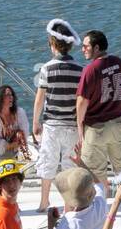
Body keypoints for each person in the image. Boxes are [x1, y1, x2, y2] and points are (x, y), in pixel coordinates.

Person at [32, 19, 83, 212]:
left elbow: (39, 99)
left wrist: (35, 122)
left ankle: (44, 201)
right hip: (71, 125)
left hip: (52, 124)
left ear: (53, 44)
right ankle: (68, 205)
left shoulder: (46, 68)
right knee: (69, 165)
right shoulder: (80, 70)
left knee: (48, 162)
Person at [76, 30, 121, 189]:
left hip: (95, 128)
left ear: (97, 48)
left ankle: (100, 210)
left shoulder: (90, 70)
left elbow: (81, 102)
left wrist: (80, 128)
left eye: (86, 46)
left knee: (95, 175)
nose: (83, 49)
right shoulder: (119, 63)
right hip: (117, 124)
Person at [0, 85, 30, 166]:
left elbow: (25, 131)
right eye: (7, 95)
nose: (11, 97)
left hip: (18, 149)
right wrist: (12, 145)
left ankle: (25, 158)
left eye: (11, 95)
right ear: (0, 98)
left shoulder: (19, 112)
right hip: (0, 154)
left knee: (20, 133)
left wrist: (18, 143)